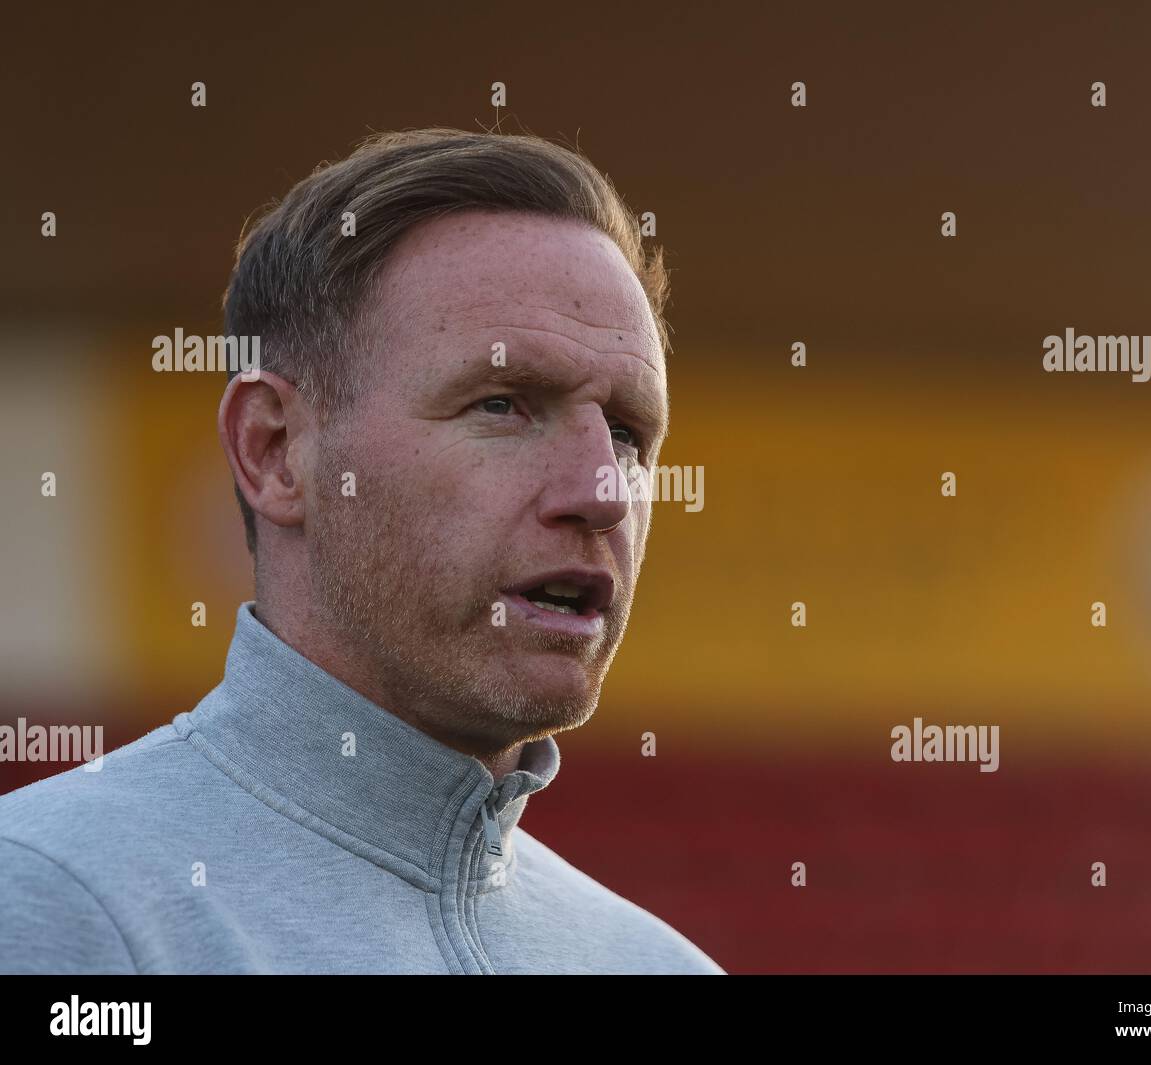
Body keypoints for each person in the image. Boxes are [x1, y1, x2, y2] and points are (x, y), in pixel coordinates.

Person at [0, 128, 725, 975]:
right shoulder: (53, 904)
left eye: (631, 435)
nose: (603, 491)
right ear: (275, 449)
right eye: (502, 403)